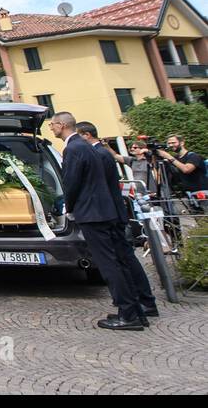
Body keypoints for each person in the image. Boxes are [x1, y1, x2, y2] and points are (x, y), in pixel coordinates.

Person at [53, 115, 153, 329]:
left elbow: (72, 182)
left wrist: (68, 207)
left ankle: (128, 314)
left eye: (52, 124)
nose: (51, 128)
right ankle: (135, 311)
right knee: (117, 261)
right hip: (104, 211)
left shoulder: (73, 148)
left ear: (61, 125)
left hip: (92, 213)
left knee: (109, 265)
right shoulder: (87, 146)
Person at [78, 122, 158, 317]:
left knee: (124, 259)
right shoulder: (101, 153)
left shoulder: (98, 154)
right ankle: (142, 303)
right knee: (124, 258)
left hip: (108, 214)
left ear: (87, 135)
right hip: (112, 212)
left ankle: (142, 302)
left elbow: (98, 187)